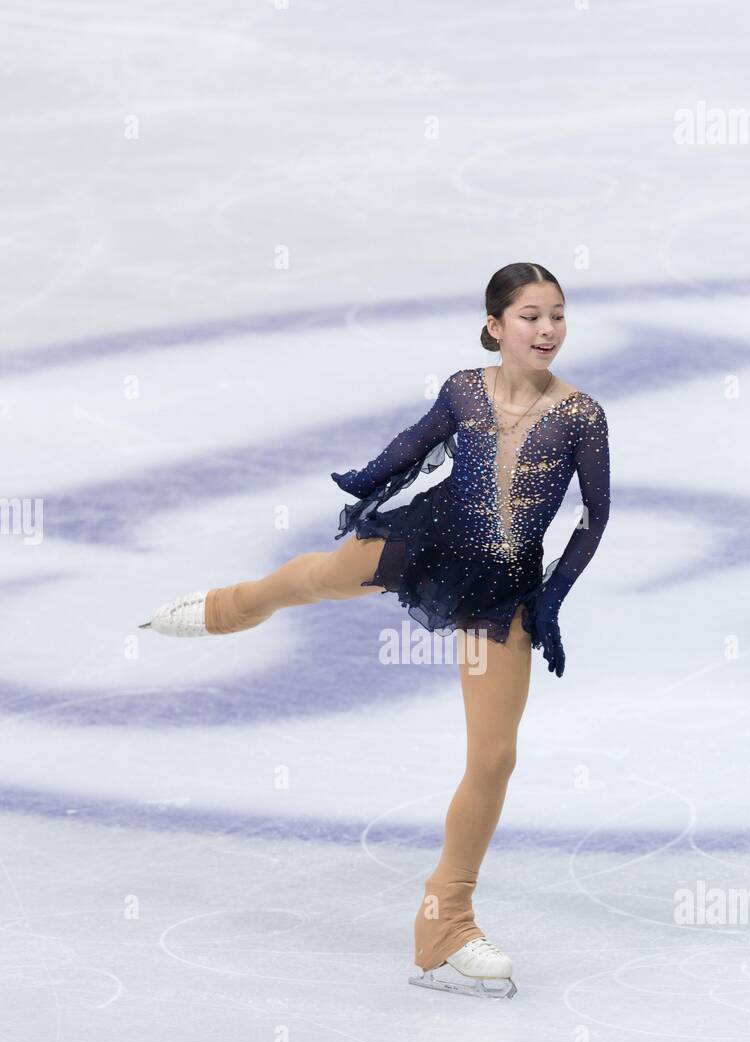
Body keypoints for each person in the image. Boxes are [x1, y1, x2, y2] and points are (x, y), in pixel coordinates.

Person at [139, 262, 611, 1000]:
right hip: (429, 541)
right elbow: (413, 446)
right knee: (316, 578)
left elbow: (593, 517)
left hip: (502, 588)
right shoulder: (464, 390)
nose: (546, 329)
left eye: (557, 315)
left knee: (494, 758)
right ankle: (229, 608)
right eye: (529, 315)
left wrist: (551, 598)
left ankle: (444, 924)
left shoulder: (582, 415)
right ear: (495, 325)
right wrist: (368, 485)